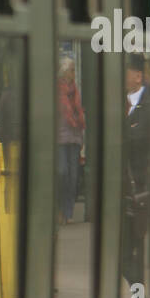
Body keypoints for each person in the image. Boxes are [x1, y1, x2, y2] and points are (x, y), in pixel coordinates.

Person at [122, 55, 150, 289]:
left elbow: (144, 140)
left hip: (139, 190)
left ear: (137, 76)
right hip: (121, 190)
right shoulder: (117, 103)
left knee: (132, 251)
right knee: (122, 254)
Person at [57, 57, 86, 225]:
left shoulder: (75, 91)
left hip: (74, 139)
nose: (74, 73)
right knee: (62, 173)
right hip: (60, 139)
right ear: (64, 72)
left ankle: (67, 213)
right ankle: (60, 209)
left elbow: (79, 113)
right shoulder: (56, 90)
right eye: (72, 70)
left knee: (73, 177)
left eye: (74, 70)